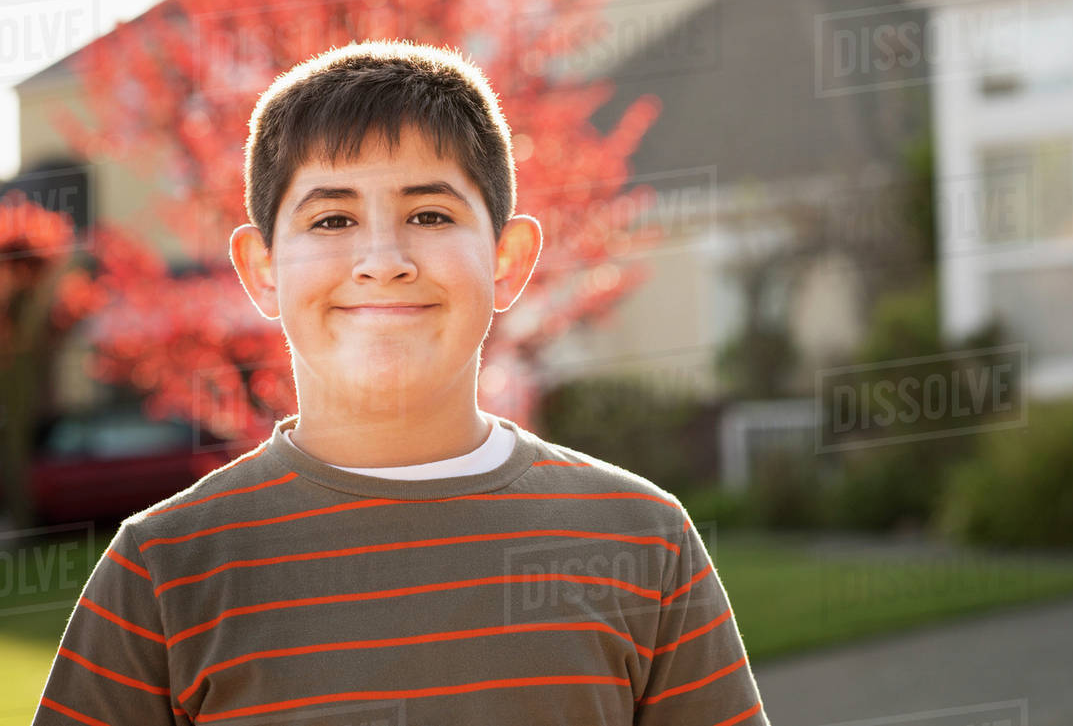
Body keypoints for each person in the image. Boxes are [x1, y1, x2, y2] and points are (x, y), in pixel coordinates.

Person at [31, 39, 770, 726]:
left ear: (507, 260)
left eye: (428, 212)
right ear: (261, 272)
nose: (382, 259)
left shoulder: (645, 542)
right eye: (331, 220)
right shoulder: (162, 571)